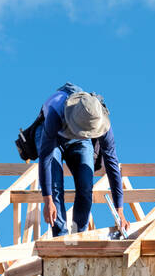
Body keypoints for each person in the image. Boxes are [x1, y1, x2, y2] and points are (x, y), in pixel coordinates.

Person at [36, 82, 129, 237]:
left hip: (80, 141)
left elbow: (112, 164)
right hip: (53, 137)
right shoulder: (55, 113)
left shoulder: (100, 122)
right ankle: (61, 236)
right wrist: (47, 201)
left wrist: (120, 211)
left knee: (86, 186)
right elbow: (45, 158)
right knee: (55, 186)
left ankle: (78, 235)